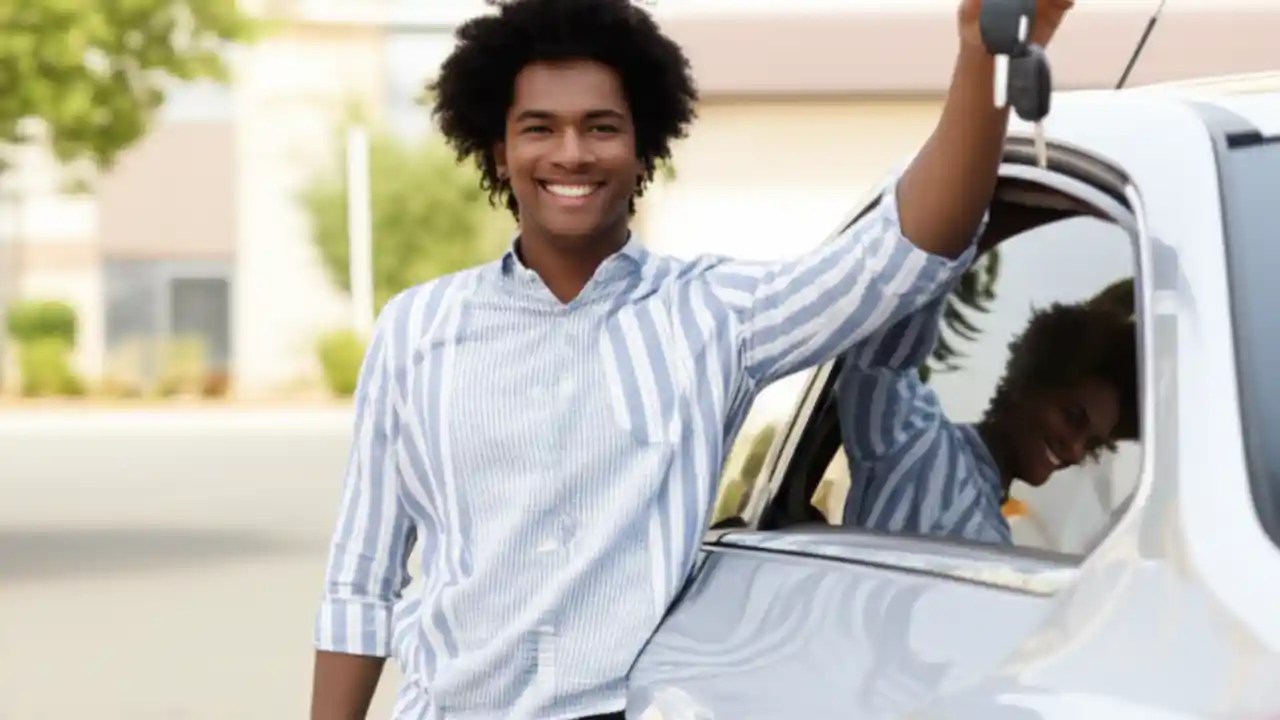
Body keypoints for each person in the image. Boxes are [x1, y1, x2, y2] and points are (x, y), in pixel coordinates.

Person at [310, 0, 1076, 718]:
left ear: (643, 147)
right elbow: (361, 582)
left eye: (601, 127)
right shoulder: (418, 329)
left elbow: (899, 257)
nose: (571, 153)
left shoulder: (714, 316)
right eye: (539, 128)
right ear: (497, 149)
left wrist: (983, 57)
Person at [836, 270, 1137, 545]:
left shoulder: (1000, 538)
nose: (1074, 450)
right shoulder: (916, 441)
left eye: (1090, 443)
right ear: (1030, 382)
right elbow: (882, 350)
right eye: (1072, 418)